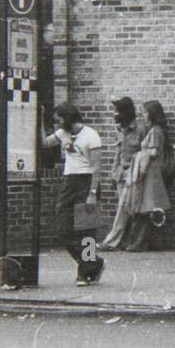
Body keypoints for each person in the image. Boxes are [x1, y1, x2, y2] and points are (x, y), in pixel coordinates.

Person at [42, 102, 106, 285]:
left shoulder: (91, 135)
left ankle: (86, 272)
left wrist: (92, 192)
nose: (57, 124)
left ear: (68, 118)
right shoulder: (62, 134)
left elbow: (97, 167)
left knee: (87, 232)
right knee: (62, 229)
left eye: (59, 120)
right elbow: (45, 143)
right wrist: (38, 121)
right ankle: (93, 263)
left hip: (86, 182)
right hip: (69, 181)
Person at [121, 100, 172, 252]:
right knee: (148, 207)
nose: (143, 115)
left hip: (151, 171)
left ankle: (139, 243)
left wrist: (140, 155)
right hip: (149, 170)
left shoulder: (155, 130)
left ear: (152, 114)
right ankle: (146, 242)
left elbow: (154, 152)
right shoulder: (154, 130)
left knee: (146, 207)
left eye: (145, 112)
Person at [98, 96, 146, 250]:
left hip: (133, 173)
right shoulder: (119, 130)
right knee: (126, 209)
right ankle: (125, 241)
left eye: (117, 111)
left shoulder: (141, 129)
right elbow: (117, 152)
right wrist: (114, 173)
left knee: (122, 206)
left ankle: (110, 242)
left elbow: (144, 153)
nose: (114, 114)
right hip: (121, 172)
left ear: (125, 112)